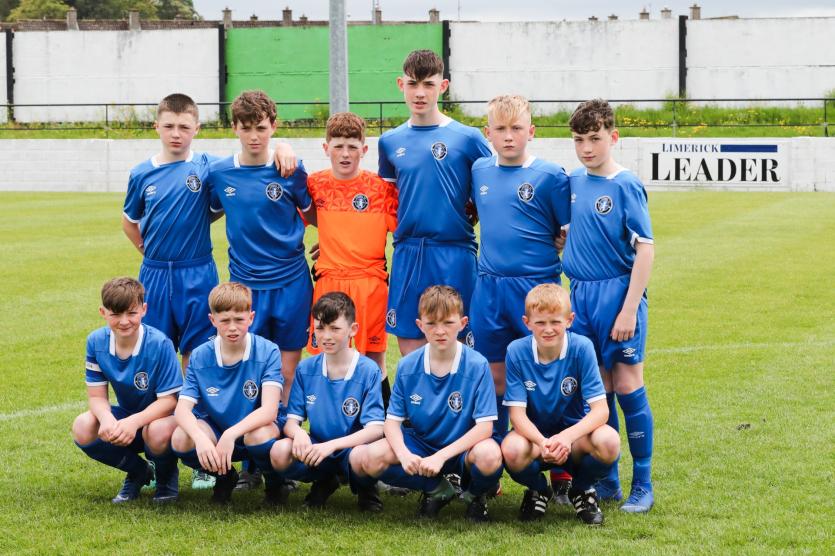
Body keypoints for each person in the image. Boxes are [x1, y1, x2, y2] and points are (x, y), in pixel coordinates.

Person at [121, 93, 297, 492]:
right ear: (157, 127)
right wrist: (145, 250)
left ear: (197, 129)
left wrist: (284, 145)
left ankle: (207, 461)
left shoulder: (208, 168)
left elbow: (255, 160)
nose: (177, 134)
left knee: (199, 361)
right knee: (158, 364)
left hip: (199, 272)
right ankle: (159, 463)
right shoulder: (140, 174)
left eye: (185, 126)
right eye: (169, 126)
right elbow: (129, 221)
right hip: (155, 274)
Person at [206, 90, 316, 490]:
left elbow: (316, 213)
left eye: (262, 128)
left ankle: (278, 462)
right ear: (234, 128)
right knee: (247, 371)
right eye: (247, 128)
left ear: (274, 125)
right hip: (245, 288)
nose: (255, 136)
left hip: (290, 283)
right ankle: (252, 463)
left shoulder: (290, 168)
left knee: (286, 372)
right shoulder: (219, 173)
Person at [563, 98, 656, 513]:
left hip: (618, 296)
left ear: (612, 137)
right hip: (581, 297)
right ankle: (608, 479)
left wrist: (628, 309)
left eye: (595, 139)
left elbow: (646, 250)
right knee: (597, 391)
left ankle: (644, 483)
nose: (587, 148)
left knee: (628, 385)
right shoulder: (574, 183)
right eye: (580, 139)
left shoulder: (625, 184)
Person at [350, 286, 503, 521]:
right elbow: (391, 423)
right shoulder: (408, 366)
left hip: (462, 449)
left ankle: (475, 495)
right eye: (431, 324)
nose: (440, 331)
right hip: (421, 444)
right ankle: (436, 489)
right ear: (420, 325)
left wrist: (441, 456)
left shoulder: (477, 365)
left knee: (490, 456)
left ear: (462, 323)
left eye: (448, 323)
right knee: (367, 457)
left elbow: (484, 428)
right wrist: (403, 454)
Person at [469, 95, 571, 448]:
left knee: (547, 375)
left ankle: (559, 466)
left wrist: (559, 246)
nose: (508, 136)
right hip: (489, 289)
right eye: (500, 129)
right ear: (488, 133)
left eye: (516, 128)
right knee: (493, 374)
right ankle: (493, 456)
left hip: (536, 289)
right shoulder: (479, 170)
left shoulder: (550, 176)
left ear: (532, 131)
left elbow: (567, 232)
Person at [377, 49, 492, 356]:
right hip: (410, 254)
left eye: (428, 84)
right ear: (401, 84)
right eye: (413, 84)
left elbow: (495, 190)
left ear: (443, 87)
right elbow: (384, 204)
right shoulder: (390, 141)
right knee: (413, 354)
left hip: (455, 252)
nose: (420, 92)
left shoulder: (468, 138)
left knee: (463, 353)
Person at [501, 284, 620, 525]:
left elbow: (601, 411)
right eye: (540, 322)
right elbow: (517, 415)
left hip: (574, 440)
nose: (548, 329)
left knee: (609, 441)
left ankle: (582, 490)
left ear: (569, 320)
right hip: (536, 441)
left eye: (555, 322)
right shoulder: (516, 351)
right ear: (527, 322)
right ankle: (538, 490)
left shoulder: (582, 348)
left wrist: (566, 437)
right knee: (511, 450)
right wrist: (543, 442)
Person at [260, 292, 385, 509]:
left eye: (335, 328)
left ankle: (365, 487)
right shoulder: (307, 369)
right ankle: (324, 480)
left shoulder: (368, 370)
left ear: (353, 329)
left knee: (363, 457)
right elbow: (292, 421)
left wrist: (332, 446)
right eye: (320, 328)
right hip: (318, 447)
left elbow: (375, 429)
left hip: (353, 449)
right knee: (280, 452)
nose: (326, 336)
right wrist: (299, 434)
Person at [306, 112, 398, 402]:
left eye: (352, 147)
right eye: (338, 146)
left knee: (373, 359)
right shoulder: (314, 184)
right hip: (330, 283)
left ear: (364, 150)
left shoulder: (382, 189)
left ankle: (382, 426)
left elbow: (406, 233)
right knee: (328, 357)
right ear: (325, 148)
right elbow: (290, 221)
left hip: (370, 285)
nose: (345, 154)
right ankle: (327, 423)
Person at [171, 282, 284, 504]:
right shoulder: (200, 356)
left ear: (250, 318)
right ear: (213, 320)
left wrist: (231, 434)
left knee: (259, 436)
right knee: (181, 439)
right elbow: (182, 410)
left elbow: (270, 410)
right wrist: (200, 438)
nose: (232, 327)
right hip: (216, 427)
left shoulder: (268, 350)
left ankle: (274, 482)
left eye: (239, 320)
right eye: (225, 321)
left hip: (254, 429)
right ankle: (224, 476)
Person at [71, 277, 182, 504]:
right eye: (115, 314)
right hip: (128, 417)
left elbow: (170, 401)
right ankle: (138, 471)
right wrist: (107, 419)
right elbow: (96, 396)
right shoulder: (95, 342)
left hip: (164, 420)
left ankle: (166, 478)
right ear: (103, 312)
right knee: (83, 426)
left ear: (144, 309)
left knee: (157, 431)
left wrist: (134, 423)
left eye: (131, 313)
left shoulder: (160, 344)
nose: (124, 321)